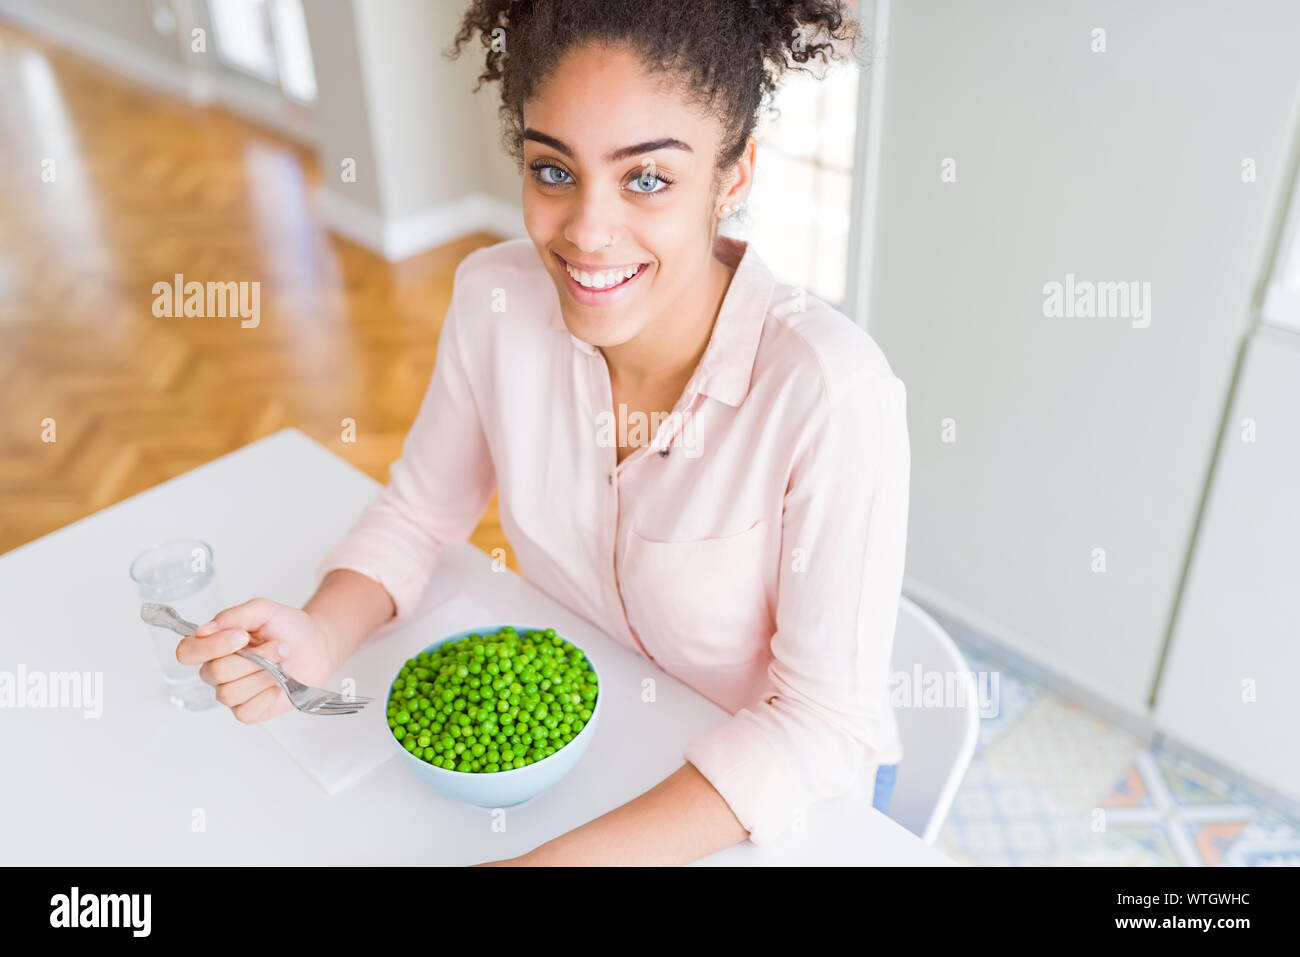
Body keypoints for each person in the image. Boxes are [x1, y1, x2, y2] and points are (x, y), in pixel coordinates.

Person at [176, 0, 908, 865]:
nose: (588, 234)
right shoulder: (494, 298)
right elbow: (417, 515)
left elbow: (822, 726)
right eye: (554, 171)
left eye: (647, 179)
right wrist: (322, 633)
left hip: (770, 803)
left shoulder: (831, 392)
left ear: (734, 174)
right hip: (595, 756)